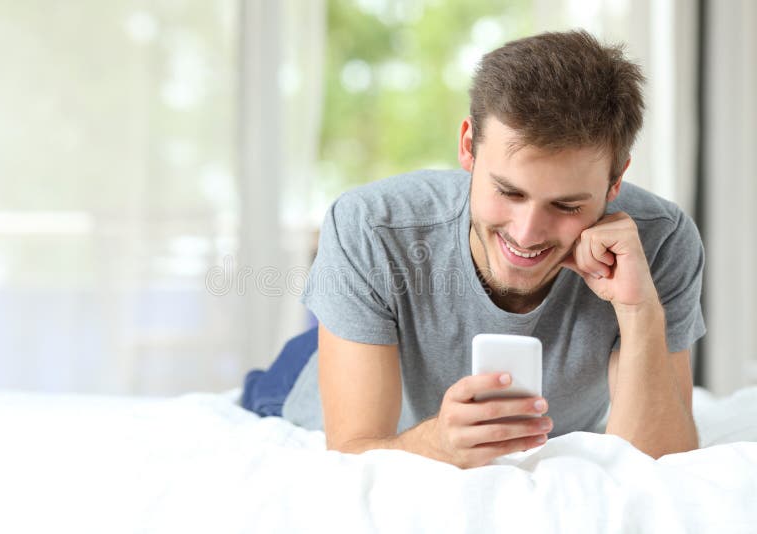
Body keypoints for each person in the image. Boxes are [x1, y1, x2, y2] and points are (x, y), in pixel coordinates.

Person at [242, 30, 705, 469]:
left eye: (566, 205)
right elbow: (354, 449)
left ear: (615, 181)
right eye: (509, 192)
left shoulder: (659, 242)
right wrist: (439, 443)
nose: (526, 234)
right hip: (318, 371)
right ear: (468, 146)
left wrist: (639, 309)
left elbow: (659, 466)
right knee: (264, 388)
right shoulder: (371, 225)